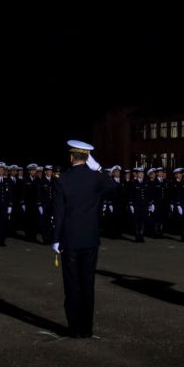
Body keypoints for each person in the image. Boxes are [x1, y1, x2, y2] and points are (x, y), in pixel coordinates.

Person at [51, 140, 119, 338]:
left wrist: (56, 238)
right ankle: (87, 329)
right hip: (90, 238)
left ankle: (74, 328)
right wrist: (97, 167)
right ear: (87, 158)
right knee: (87, 283)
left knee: (72, 283)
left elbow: (59, 211)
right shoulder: (95, 178)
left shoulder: (62, 179)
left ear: (71, 157)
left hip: (70, 238)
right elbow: (113, 187)